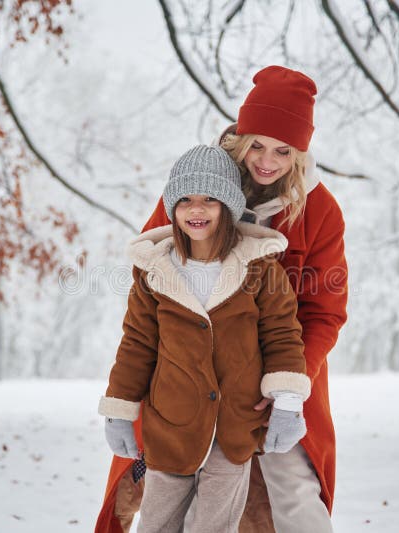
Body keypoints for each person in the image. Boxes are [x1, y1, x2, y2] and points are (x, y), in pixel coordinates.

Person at [95, 66, 348, 533]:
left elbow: (324, 313)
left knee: (293, 485)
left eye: (283, 151)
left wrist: (287, 387)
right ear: (240, 139)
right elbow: (153, 270)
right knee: (174, 484)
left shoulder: (319, 209)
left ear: (299, 154)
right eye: (257, 145)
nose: (267, 161)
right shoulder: (197, 184)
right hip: (190, 369)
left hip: (281, 367)